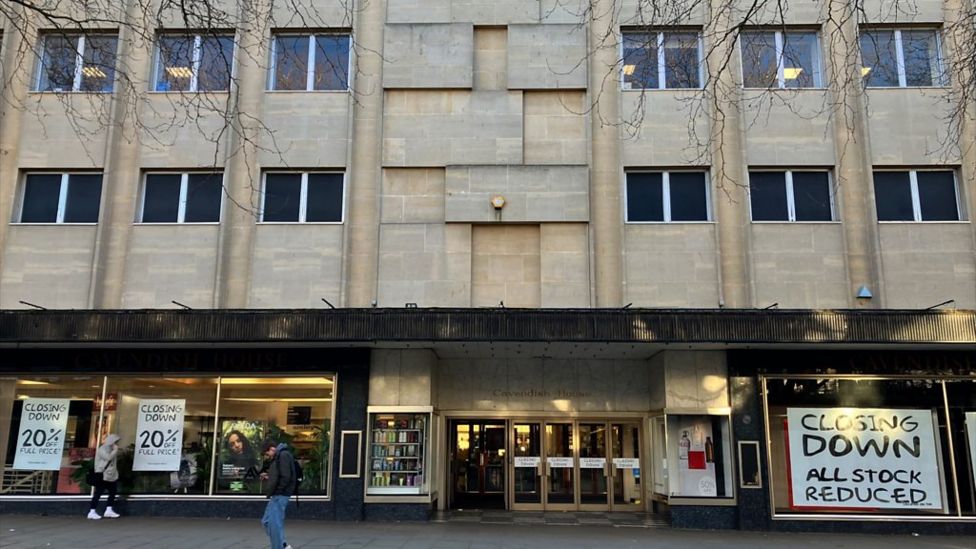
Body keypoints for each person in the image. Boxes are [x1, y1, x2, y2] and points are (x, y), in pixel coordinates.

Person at [260, 440, 296, 549]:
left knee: (274, 524)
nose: (267, 457)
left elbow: (286, 476)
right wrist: (269, 476)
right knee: (266, 522)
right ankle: (283, 545)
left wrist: (278, 490)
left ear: (272, 449)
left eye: (267, 454)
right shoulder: (280, 456)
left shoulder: (283, 455)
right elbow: (280, 475)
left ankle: (279, 547)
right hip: (278, 494)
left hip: (280, 494)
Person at [88, 433, 121, 520]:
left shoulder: (112, 449)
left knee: (113, 492)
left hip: (111, 476)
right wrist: (115, 450)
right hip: (103, 475)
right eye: (115, 442)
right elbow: (108, 458)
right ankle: (92, 511)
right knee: (98, 493)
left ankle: (109, 510)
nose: (116, 444)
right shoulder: (102, 449)